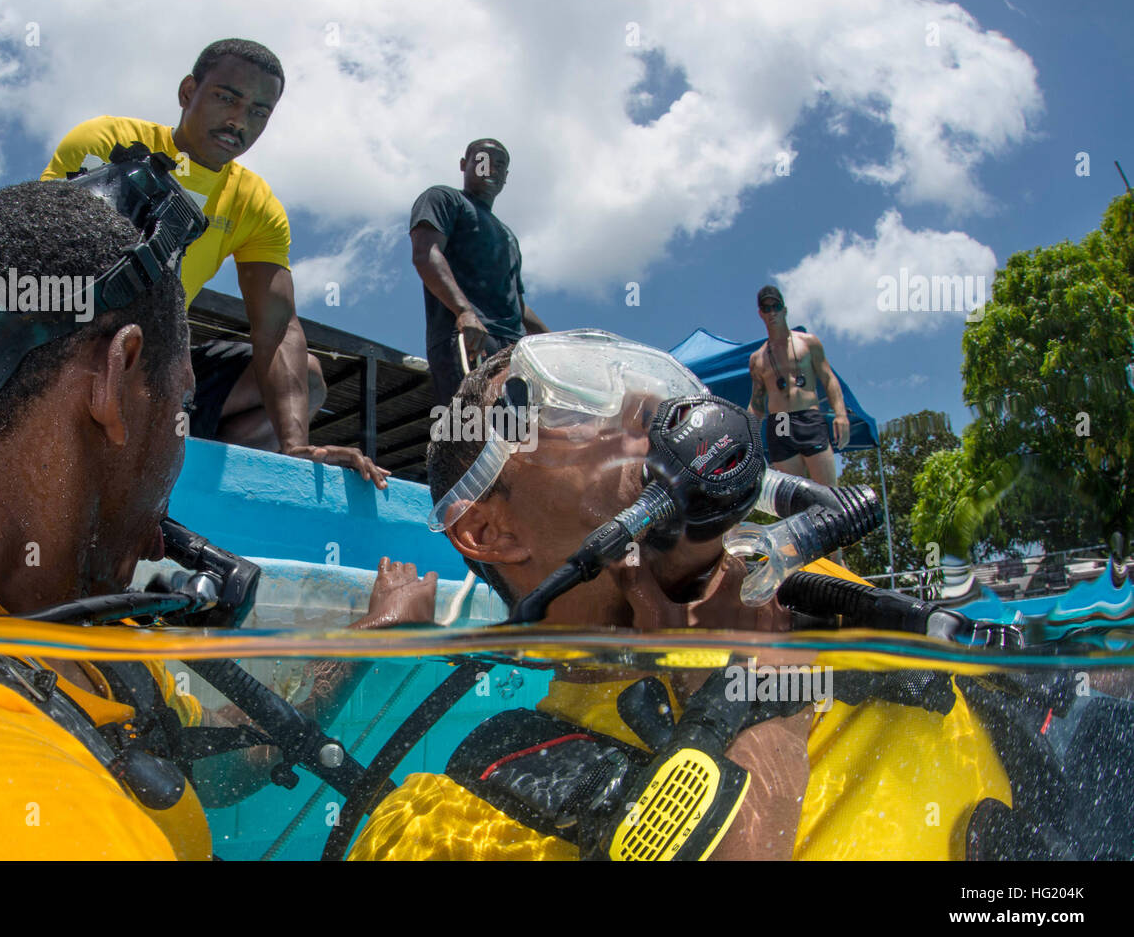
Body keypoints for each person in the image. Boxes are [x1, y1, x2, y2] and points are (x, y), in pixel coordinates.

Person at [0, 175, 432, 860]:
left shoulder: (77, 645)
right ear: (116, 381)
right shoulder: (16, 819)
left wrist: (372, 635)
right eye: (180, 407)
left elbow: (216, 763)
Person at [347, 334, 1012, 861]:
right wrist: (756, 703)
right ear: (490, 529)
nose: (643, 408)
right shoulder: (444, 823)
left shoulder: (823, 588)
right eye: (571, 409)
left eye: (644, 397)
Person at [42, 37, 389, 487]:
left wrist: (295, 448)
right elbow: (40, 258)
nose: (239, 121)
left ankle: (189, 482)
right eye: (228, 98)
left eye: (259, 112)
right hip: (70, 353)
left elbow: (277, 326)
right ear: (188, 92)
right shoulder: (105, 142)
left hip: (160, 372)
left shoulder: (256, 204)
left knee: (308, 377)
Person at [410, 138, 549, 407]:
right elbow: (426, 255)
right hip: (469, 338)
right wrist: (464, 312)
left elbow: (517, 305)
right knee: (469, 431)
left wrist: (556, 342)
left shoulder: (508, 235)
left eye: (500, 165)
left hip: (515, 349)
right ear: (464, 165)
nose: (491, 169)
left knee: (518, 436)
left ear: (506, 177)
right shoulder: (444, 199)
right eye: (484, 160)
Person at [747, 285, 850, 488]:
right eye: (766, 309)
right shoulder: (757, 358)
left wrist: (841, 414)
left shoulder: (807, 343)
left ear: (784, 309)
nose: (771, 313)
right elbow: (757, 403)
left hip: (807, 417)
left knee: (828, 494)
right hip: (781, 421)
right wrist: (745, 437)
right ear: (760, 314)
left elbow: (828, 379)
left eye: (775, 307)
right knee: (793, 499)